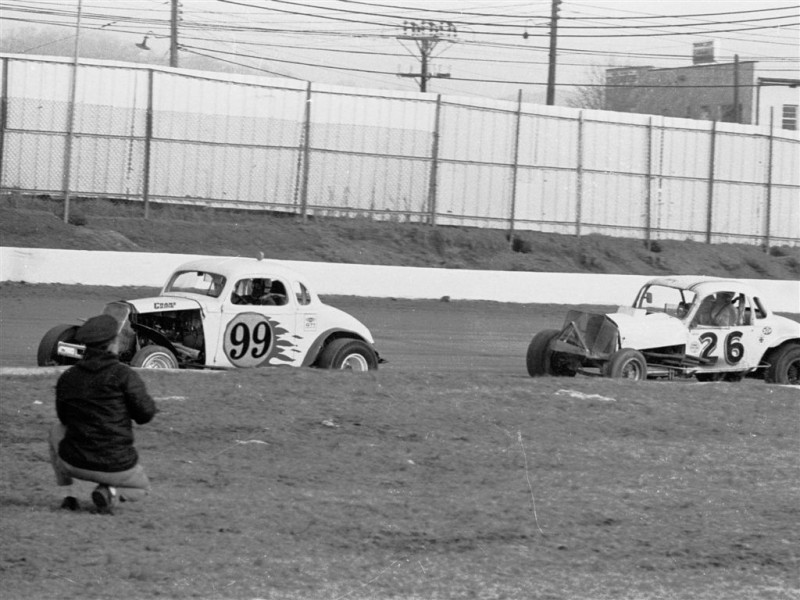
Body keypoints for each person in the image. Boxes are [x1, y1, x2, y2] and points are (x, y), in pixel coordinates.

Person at [49, 314, 157, 514]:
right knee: (143, 488)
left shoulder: (68, 376)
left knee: (56, 430)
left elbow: (63, 419)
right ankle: (109, 493)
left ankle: (68, 495)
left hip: (75, 462)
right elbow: (145, 415)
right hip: (118, 465)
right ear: (112, 344)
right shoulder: (124, 375)